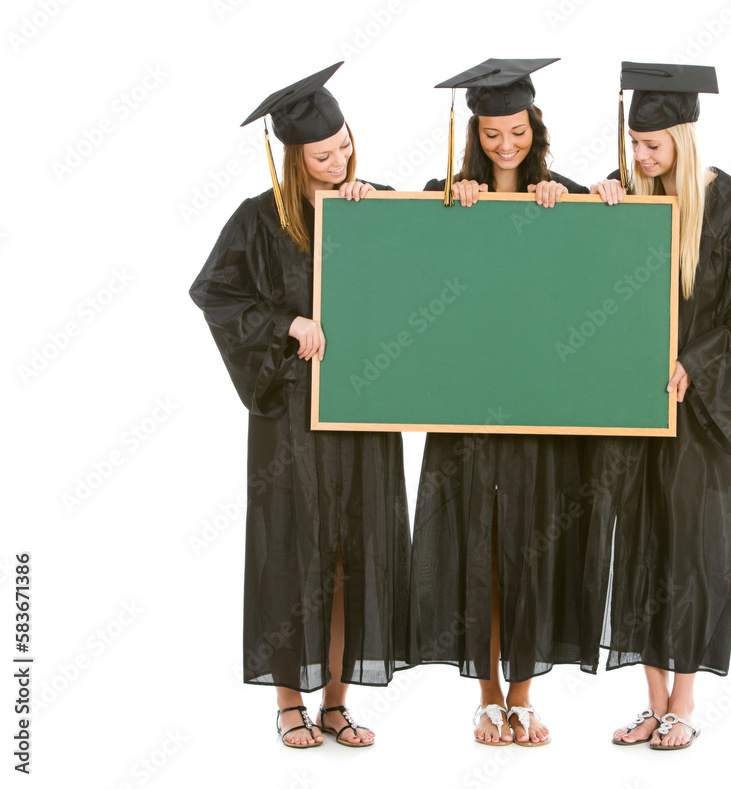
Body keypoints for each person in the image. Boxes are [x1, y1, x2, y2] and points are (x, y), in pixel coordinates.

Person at [189, 63, 410, 749]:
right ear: (292, 156)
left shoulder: (370, 206)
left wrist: (385, 218)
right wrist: (286, 323)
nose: (339, 159)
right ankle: (290, 700)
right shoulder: (259, 221)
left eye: (344, 142)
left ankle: (337, 701)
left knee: (357, 551)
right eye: (323, 153)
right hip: (291, 413)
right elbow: (216, 295)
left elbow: (432, 272)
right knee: (296, 549)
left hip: (364, 410)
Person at [582, 62, 731, 750]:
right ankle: (651, 700)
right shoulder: (632, 204)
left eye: (651, 145)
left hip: (698, 413)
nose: (639, 156)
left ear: (682, 137)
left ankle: (685, 700)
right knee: (640, 544)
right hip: (634, 410)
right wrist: (599, 207)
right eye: (634, 145)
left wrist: (696, 365)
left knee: (693, 549)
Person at [409, 58, 588, 747]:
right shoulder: (447, 195)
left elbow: (608, 246)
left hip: (538, 410)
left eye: (515, 131)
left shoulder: (558, 192)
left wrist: (594, 194)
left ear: (533, 127)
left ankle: (523, 696)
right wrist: (450, 209)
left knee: (530, 548)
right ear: (475, 133)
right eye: (491, 134)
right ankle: (486, 697)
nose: (504, 145)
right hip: (466, 408)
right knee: (478, 544)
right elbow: (400, 255)